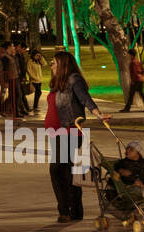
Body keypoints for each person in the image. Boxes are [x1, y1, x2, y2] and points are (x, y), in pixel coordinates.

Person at [47, 50, 110, 222]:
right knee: (66, 171)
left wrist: (98, 114)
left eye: (54, 62)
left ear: (63, 64)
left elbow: (85, 99)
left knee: (61, 170)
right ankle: (71, 210)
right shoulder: (57, 83)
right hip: (57, 133)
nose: (51, 65)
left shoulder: (74, 79)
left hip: (70, 132)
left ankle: (67, 210)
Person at [122, 47, 144, 112]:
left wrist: (133, 80)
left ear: (131, 55)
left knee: (131, 95)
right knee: (140, 94)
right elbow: (142, 70)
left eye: (129, 54)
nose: (128, 56)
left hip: (136, 80)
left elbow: (134, 72)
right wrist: (141, 77)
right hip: (140, 79)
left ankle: (127, 108)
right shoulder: (137, 61)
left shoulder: (133, 62)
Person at [27, 47, 46, 113]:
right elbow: (29, 71)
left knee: (38, 93)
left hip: (39, 80)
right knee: (38, 92)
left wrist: (41, 58)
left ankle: (35, 106)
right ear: (33, 55)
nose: (38, 56)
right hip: (34, 80)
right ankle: (34, 106)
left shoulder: (38, 61)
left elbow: (45, 64)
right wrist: (33, 77)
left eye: (39, 55)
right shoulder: (30, 61)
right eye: (37, 55)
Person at [14, 42, 32, 115]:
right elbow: (19, 67)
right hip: (18, 77)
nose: (24, 51)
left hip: (21, 77)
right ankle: (21, 109)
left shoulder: (21, 56)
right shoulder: (17, 56)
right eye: (24, 49)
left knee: (21, 93)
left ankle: (24, 108)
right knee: (19, 94)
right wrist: (22, 76)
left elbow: (23, 67)